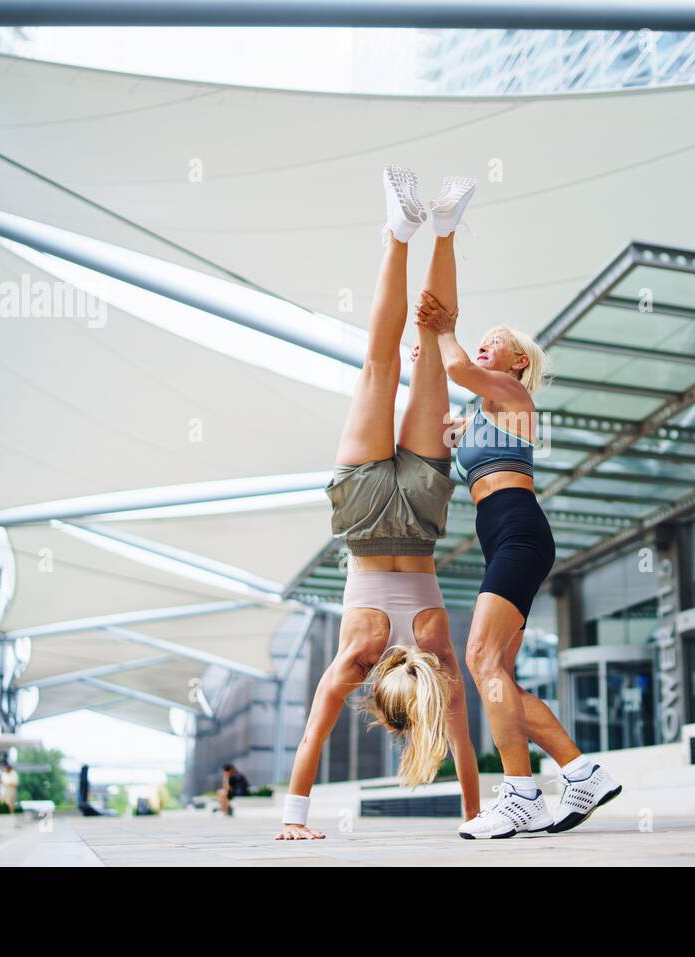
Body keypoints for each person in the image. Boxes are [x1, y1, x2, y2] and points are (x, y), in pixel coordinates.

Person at [275, 166, 482, 841]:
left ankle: (443, 228)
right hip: (365, 516)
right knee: (380, 366)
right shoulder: (356, 661)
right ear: (379, 700)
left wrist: (476, 814)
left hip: (418, 517)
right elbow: (311, 733)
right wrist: (293, 818)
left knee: (425, 358)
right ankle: (399, 233)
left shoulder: (438, 658)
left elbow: (463, 744)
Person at [415, 288, 623, 839]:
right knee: (496, 674)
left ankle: (519, 796)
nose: (484, 348)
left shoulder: (512, 397)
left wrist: (443, 331)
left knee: (480, 659)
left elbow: (458, 366)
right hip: (505, 538)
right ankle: (582, 773)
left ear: (518, 362)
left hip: (519, 533)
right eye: (481, 343)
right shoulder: (477, 417)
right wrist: (425, 363)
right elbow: (433, 426)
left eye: (495, 343)